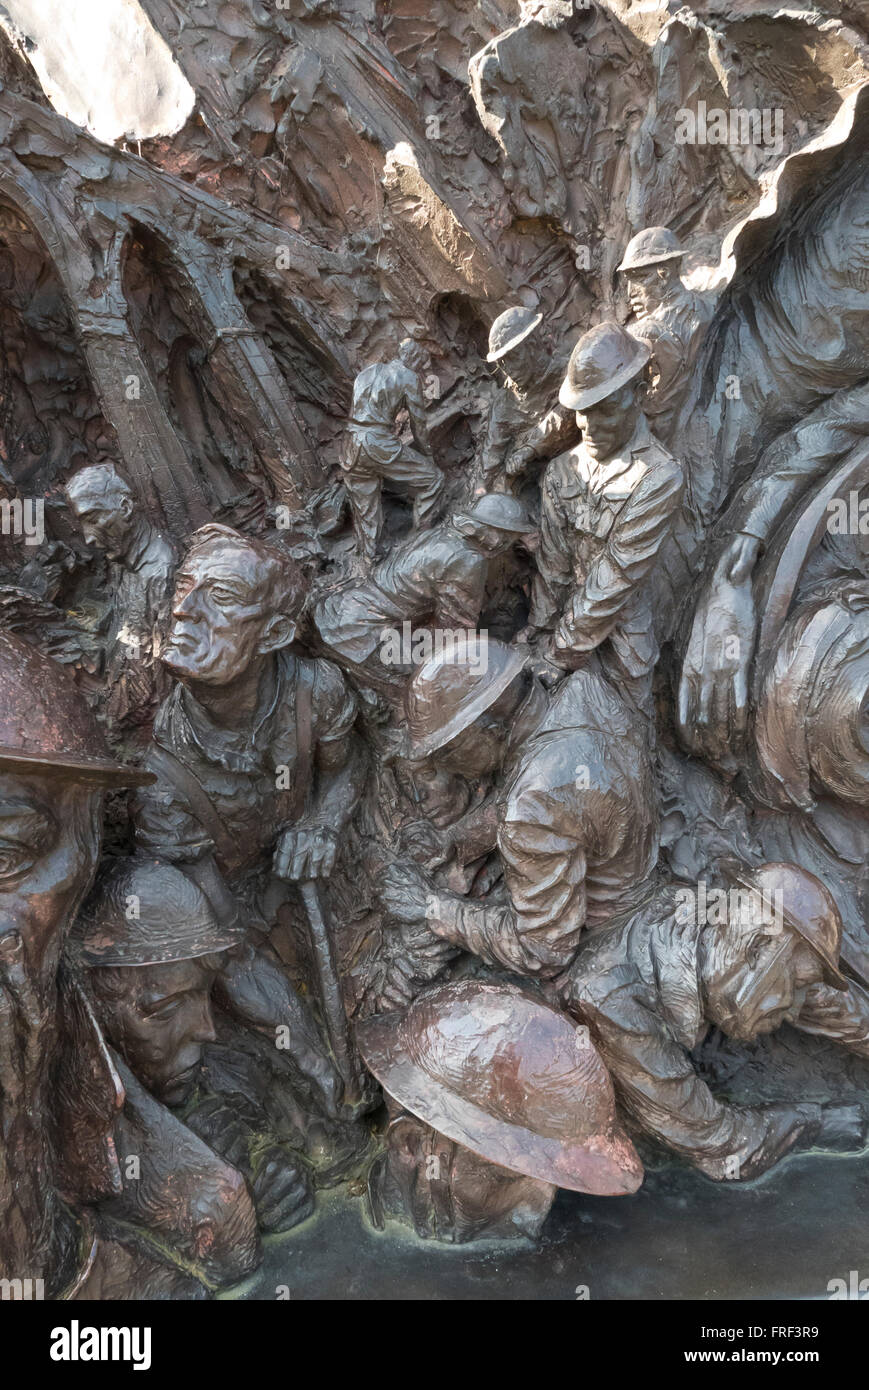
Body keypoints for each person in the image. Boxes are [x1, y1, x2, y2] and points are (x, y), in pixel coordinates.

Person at [132, 523, 365, 1116]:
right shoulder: (161, 774)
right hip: (233, 905)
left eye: (222, 597)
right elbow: (230, 948)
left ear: (276, 634)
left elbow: (348, 764)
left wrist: (324, 823)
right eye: (185, 588)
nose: (184, 611)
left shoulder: (318, 691)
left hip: (319, 877)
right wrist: (314, 1058)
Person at [378, 637, 659, 988]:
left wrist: (432, 908)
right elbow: (564, 803)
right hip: (650, 879)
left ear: (490, 730)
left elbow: (542, 952)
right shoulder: (586, 689)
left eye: (447, 753)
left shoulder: (530, 805)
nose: (447, 768)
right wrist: (457, 841)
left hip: (618, 948)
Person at [563, 861, 869, 1180]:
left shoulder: (711, 924)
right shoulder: (612, 1002)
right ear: (757, 947)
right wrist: (816, 1123)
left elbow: (820, 1001)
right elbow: (716, 1144)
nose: (794, 1011)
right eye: (798, 986)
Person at [74, 858, 320, 1236]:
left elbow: (319, 1143)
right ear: (96, 1008)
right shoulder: (72, 1143)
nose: (207, 1030)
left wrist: (278, 1173)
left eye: (206, 994)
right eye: (167, 1008)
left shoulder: (233, 1072)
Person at [528, 321, 683, 717]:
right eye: (582, 412)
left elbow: (615, 576)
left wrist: (559, 652)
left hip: (622, 648)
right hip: (558, 634)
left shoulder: (659, 476)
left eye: (604, 410)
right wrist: (539, 631)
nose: (589, 426)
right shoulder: (563, 470)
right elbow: (552, 565)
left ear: (637, 394)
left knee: (624, 742)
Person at [313, 493, 534, 691]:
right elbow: (456, 631)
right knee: (439, 684)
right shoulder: (468, 560)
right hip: (362, 632)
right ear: (497, 536)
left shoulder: (441, 534)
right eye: (511, 539)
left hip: (341, 610)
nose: (507, 546)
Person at [64, 463, 176, 736]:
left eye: (93, 518)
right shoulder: (122, 562)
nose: (88, 538)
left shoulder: (160, 573)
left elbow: (156, 682)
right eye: (83, 524)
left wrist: (105, 707)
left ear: (125, 509)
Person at [343, 339, 444, 564]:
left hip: (350, 444)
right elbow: (419, 424)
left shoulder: (368, 372)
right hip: (377, 444)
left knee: (365, 505)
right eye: (420, 362)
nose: (420, 367)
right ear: (414, 359)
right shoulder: (408, 377)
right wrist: (427, 455)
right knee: (433, 479)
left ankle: (369, 558)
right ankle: (418, 544)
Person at [617, 226, 711, 443]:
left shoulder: (644, 335)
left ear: (664, 274)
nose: (630, 293)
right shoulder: (706, 309)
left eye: (638, 278)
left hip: (658, 442)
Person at [476, 306, 577, 489]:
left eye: (512, 357)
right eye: (501, 363)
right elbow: (491, 458)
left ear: (532, 345)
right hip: (534, 484)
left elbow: (567, 410)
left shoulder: (568, 372)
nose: (508, 369)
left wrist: (529, 449)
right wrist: (480, 492)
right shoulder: (504, 404)